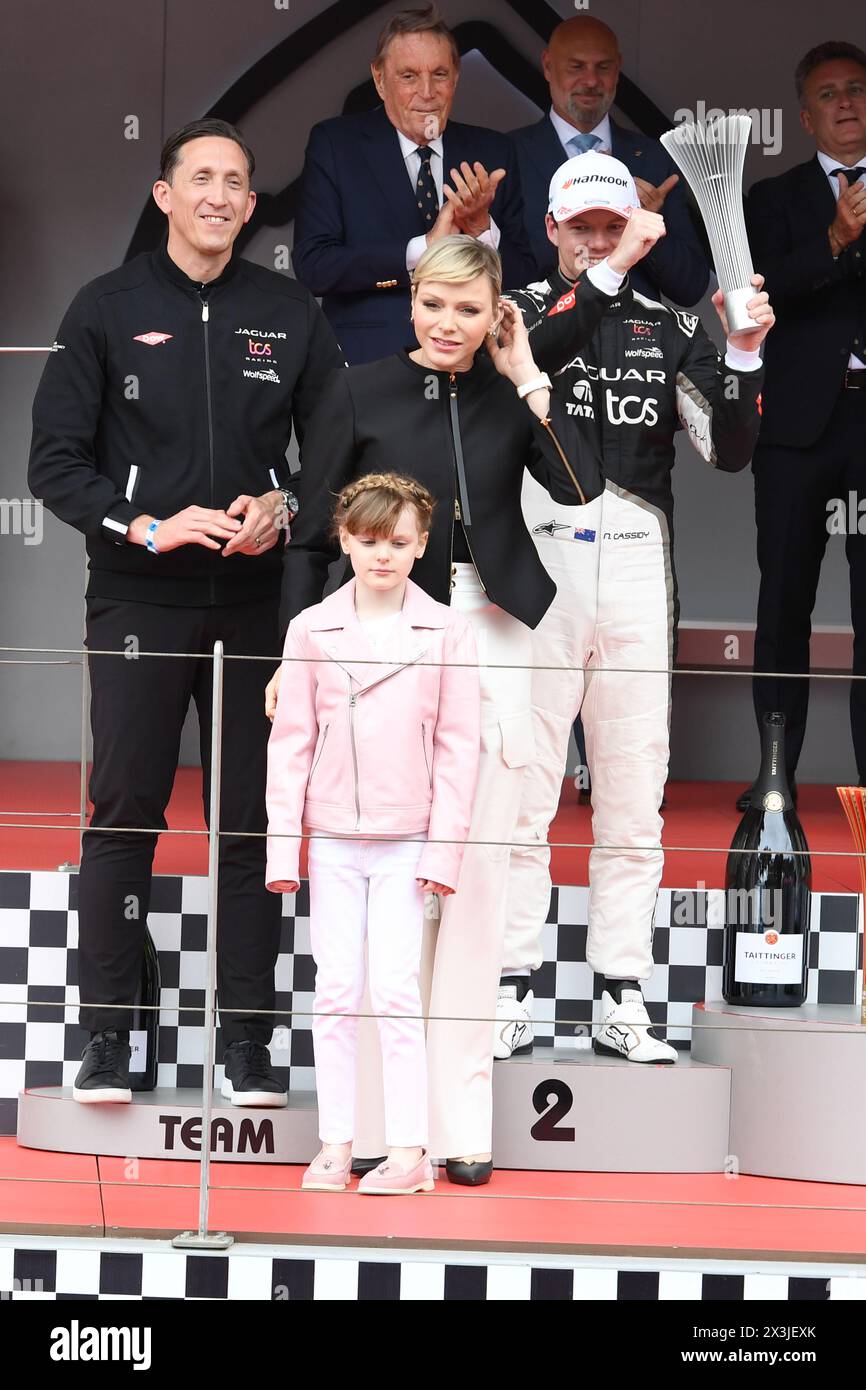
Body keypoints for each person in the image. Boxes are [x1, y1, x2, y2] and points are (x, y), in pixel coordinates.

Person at [269, 233, 604, 1184]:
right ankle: (374, 1129)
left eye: (470, 308)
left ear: (496, 310)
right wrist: (297, 651)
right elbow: (308, 532)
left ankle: (460, 1130)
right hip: (375, 631)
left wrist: (529, 372)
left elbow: (583, 490)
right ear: (411, 300)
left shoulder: (509, 389)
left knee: (469, 889)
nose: (449, 325)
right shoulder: (357, 385)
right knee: (384, 918)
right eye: (434, 304)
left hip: (493, 631)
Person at [28, 119, 342, 1106]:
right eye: (199, 177)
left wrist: (284, 506)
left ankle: (248, 1041)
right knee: (123, 813)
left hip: (260, 605)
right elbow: (54, 463)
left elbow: (333, 462)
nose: (218, 195)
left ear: (253, 206)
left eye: (236, 182)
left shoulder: (290, 312)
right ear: (164, 194)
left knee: (250, 825)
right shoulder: (104, 307)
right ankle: (110, 1037)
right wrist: (147, 527)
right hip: (138, 595)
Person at [494, 152, 773, 1060]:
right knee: (521, 793)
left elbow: (724, 450)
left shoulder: (673, 322)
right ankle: (506, 992)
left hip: (638, 573)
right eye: (584, 228)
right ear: (552, 230)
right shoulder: (520, 311)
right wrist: (606, 279)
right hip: (535, 574)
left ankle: (621, 994)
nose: (600, 241)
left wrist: (740, 354)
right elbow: (532, 366)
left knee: (631, 799)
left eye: (615, 227)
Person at [266, 474, 479, 1195]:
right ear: (344, 540)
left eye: (397, 542)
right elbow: (290, 743)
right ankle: (336, 1142)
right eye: (367, 540)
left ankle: (411, 1151)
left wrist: (445, 852)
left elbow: (458, 746)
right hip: (329, 838)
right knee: (333, 990)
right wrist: (280, 847)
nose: (381, 555)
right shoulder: (310, 629)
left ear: (421, 545)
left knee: (394, 990)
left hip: (407, 839)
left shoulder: (448, 630)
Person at [740, 41, 866, 805]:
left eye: (857, 88)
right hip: (797, 433)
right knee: (784, 598)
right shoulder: (773, 198)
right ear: (805, 117)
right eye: (829, 94)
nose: (846, 102)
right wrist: (834, 242)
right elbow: (758, 293)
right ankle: (775, 774)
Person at [292, 3, 534, 364]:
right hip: (373, 364)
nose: (427, 92)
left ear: (455, 79)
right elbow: (314, 266)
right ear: (379, 79)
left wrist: (483, 229)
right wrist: (424, 248)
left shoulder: (493, 151)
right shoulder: (336, 145)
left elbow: (525, 276)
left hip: (475, 368)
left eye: (439, 74)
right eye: (408, 76)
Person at [509, 14, 709, 306]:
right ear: (548, 66)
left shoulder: (653, 158)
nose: (591, 80)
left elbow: (691, 287)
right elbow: (502, 276)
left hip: (638, 342)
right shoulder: (508, 154)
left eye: (603, 67)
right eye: (576, 67)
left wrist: (647, 229)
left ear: (618, 71)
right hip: (542, 341)